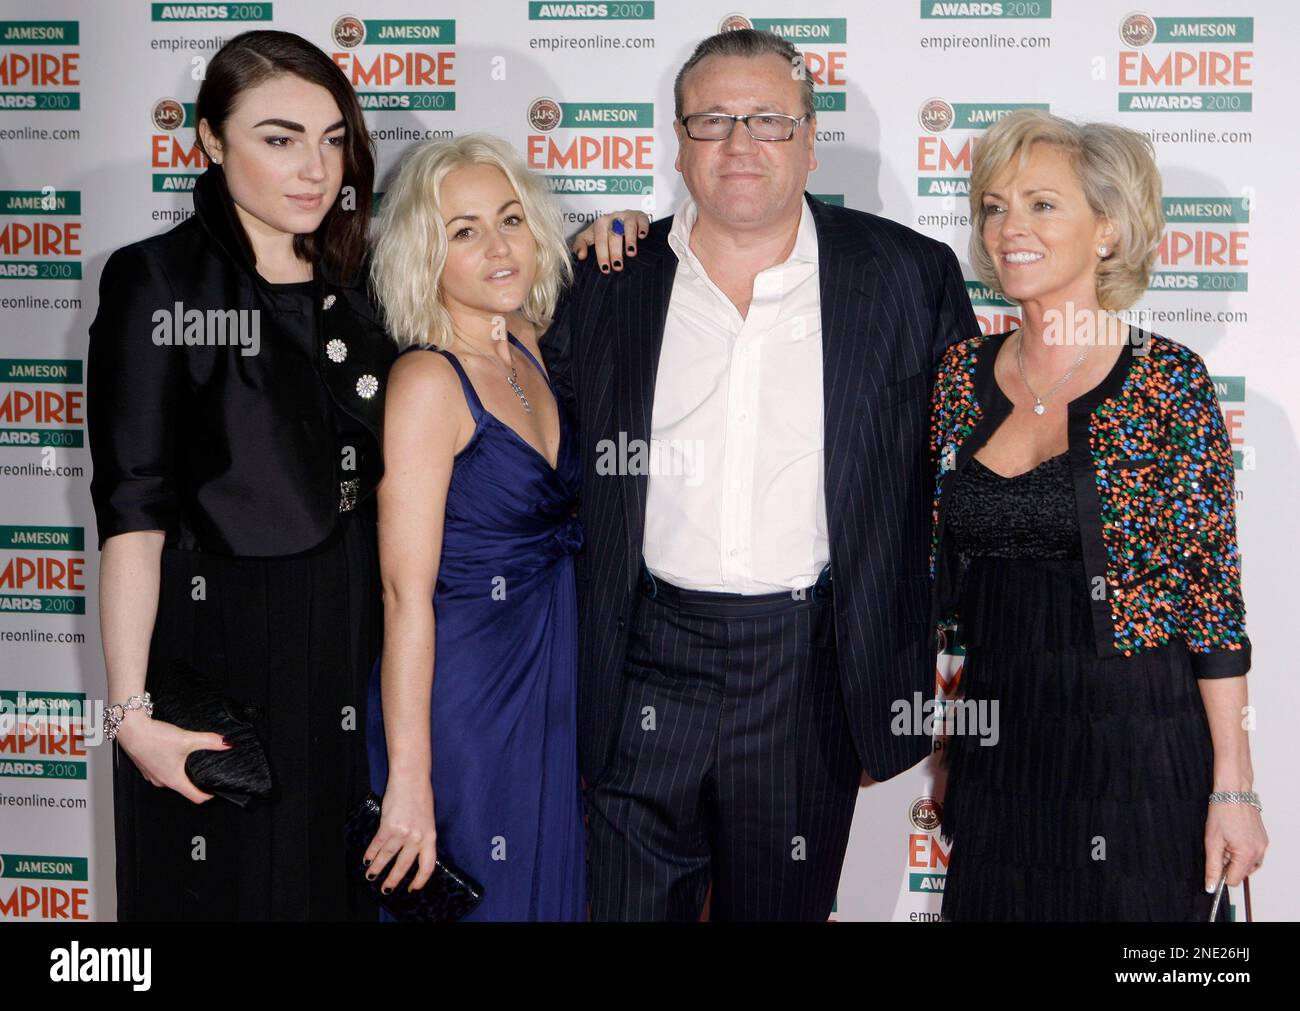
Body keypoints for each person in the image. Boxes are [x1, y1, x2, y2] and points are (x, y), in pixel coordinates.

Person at [541, 28, 978, 921]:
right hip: (638, 663)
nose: (740, 143)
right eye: (713, 120)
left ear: (812, 140)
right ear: (677, 138)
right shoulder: (605, 278)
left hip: (808, 675)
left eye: (769, 121)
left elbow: (969, 480)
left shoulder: (908, 275)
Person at [930, 108, 1267, 920]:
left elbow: (1209, 595)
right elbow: (944, 583)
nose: (1010, 226)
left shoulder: (1167, 382)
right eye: (995, 205)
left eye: (1043, 204)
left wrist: (1234, 786)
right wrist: (949, 738)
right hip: (1002, 745)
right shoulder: (958, 373)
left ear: (1108, 230)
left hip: (1137, 749)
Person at [88, 31, 394, 920]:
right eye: (280, 137)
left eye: (333, 138)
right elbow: (131, 514)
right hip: (216, 650)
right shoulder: (156, 282)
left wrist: (625, 234)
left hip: (347, 651)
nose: (316, 167)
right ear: (210, 141)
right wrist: (130, 716)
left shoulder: (361, 285)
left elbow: (507, 289)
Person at [362, 134, 585, 921]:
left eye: (512, 219)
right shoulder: (427, 379)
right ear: (427, 255)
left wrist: (624, 223)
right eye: (464, 230)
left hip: (551, 682)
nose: (500, 247)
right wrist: (409, 778)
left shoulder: (525, 338)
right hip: (464, 700)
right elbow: (403, 595)